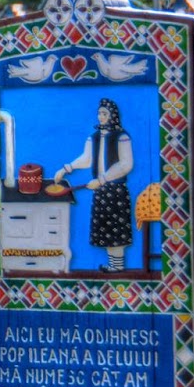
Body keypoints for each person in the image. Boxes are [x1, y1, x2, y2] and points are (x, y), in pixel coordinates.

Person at [55, 97, 135, 272]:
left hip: (116, 190)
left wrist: (101, 179)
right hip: (100, 191)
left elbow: (126, 165)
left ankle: (117, 266)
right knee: (106, 229)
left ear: (113, 115)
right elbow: (86, 159)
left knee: (116, 228)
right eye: (99, 113)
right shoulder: (94, 137)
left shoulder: (122, 137)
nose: (101, 117)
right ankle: (113, 265)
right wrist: (66, 169)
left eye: (105, 113)